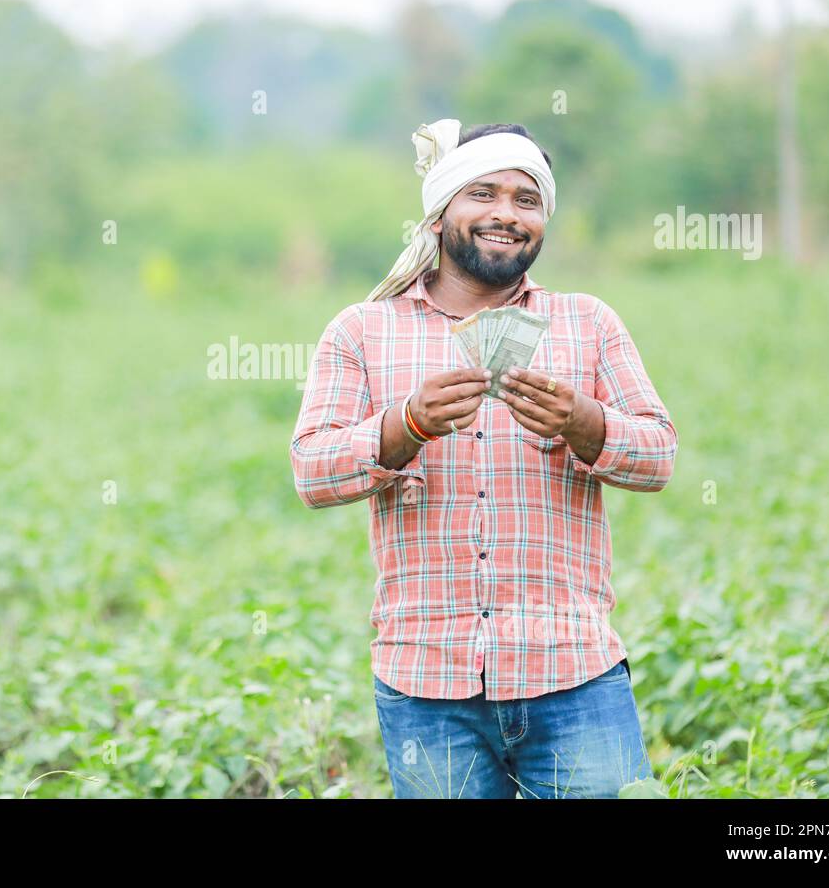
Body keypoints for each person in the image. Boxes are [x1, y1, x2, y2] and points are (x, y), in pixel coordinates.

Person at [289, 119, 678, 798]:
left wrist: (585, 425)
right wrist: (403, 426)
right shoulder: (362, 330)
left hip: (573, 672)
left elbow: (659, 456)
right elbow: (312, 472)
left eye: (527, 201)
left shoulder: (587, 323)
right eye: (484, 194)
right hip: (426, 682)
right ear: (440, 214)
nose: (506, 214)